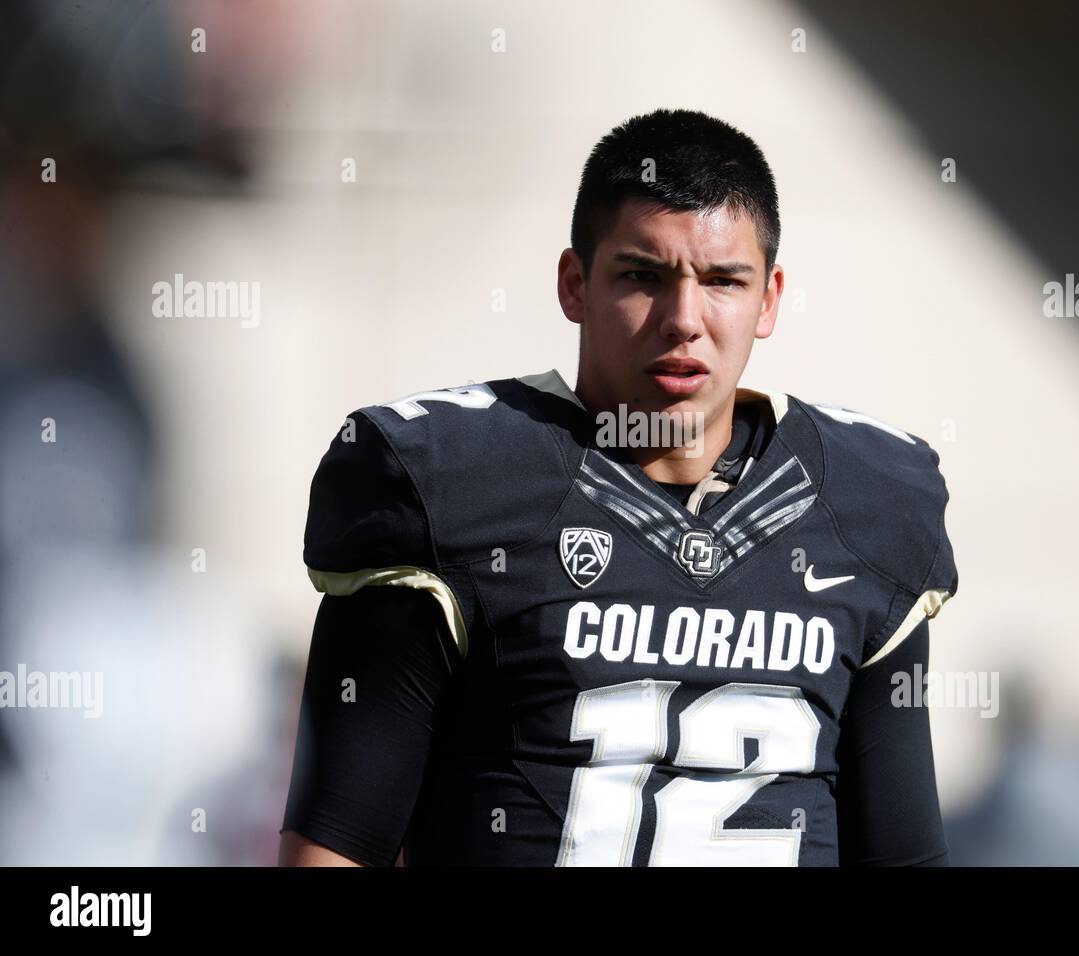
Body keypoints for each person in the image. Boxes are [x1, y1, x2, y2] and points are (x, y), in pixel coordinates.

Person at [279, 108, 958, 866]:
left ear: (768, 299)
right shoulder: (447, 482)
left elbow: (905, 854)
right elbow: (337, 847)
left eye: (723, 281)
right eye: (643, 276)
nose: (683, 320)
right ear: (576, 285)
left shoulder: (868, 505)